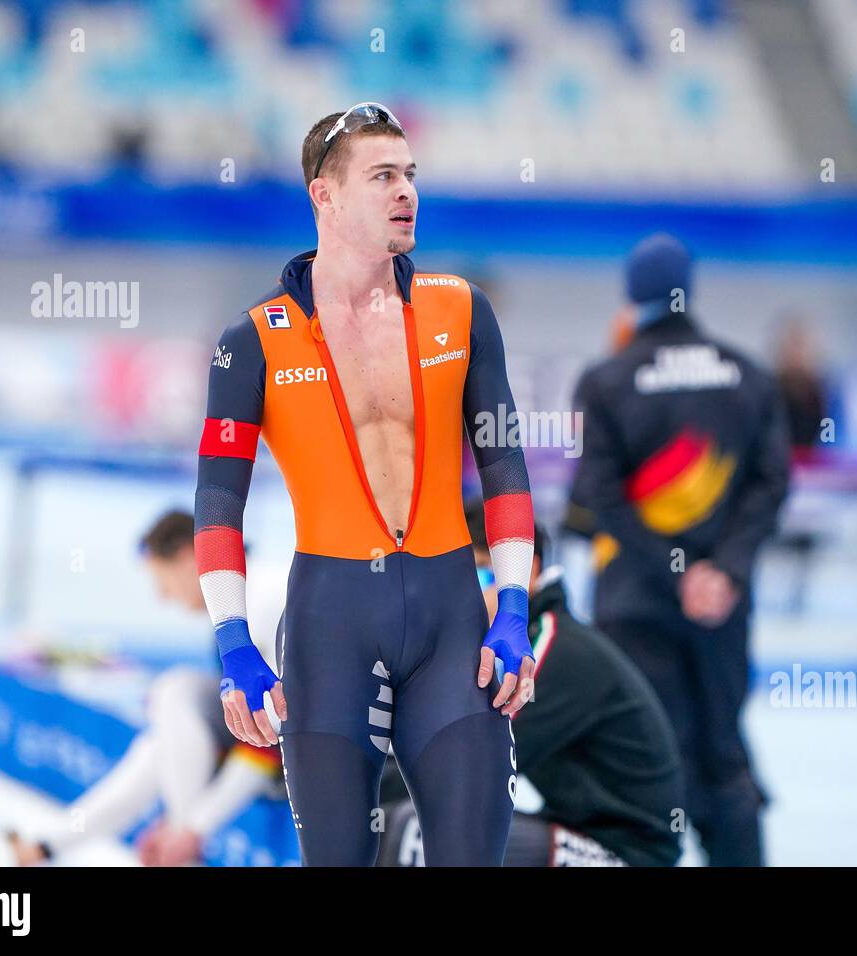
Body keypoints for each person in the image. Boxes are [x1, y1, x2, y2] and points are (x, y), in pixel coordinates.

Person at [194, 103, 536, 866]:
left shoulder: (460, 309)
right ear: (326, 195)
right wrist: (233, 643)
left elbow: (505, 469)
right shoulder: (251, 342)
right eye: (383, 176)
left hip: (454, 621)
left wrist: (513, 606)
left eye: (410, 175)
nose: (405, 192)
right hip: (330, 630)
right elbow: (219, 502)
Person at [567, 233, 790, 866]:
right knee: (724, 753)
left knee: (643, 765)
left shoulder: (609, 380)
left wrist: (676, 572)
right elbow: (772, 485)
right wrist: (722, 571)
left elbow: (599, 500)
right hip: (721, 608)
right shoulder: (750, 376)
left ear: (630, 296)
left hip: (636, 606)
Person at [0, 510, 284, 867]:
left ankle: (177, 841)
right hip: (273, 743)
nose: (162, 596)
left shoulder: (263, 597)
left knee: (173, 693)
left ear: (186, 559)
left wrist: (195, 827)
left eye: (161, 581)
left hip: (303, 750)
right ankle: (41, 848)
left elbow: (274, 730)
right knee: (160, 738)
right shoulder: (245, 594)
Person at [377, 502, 684, 867]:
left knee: (409, 829)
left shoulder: (553, 649)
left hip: (629, 855)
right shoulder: (503, 647)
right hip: (571, 828)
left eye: (476, 576)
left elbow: (467, 770)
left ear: (525, 572)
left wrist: (338, 771)